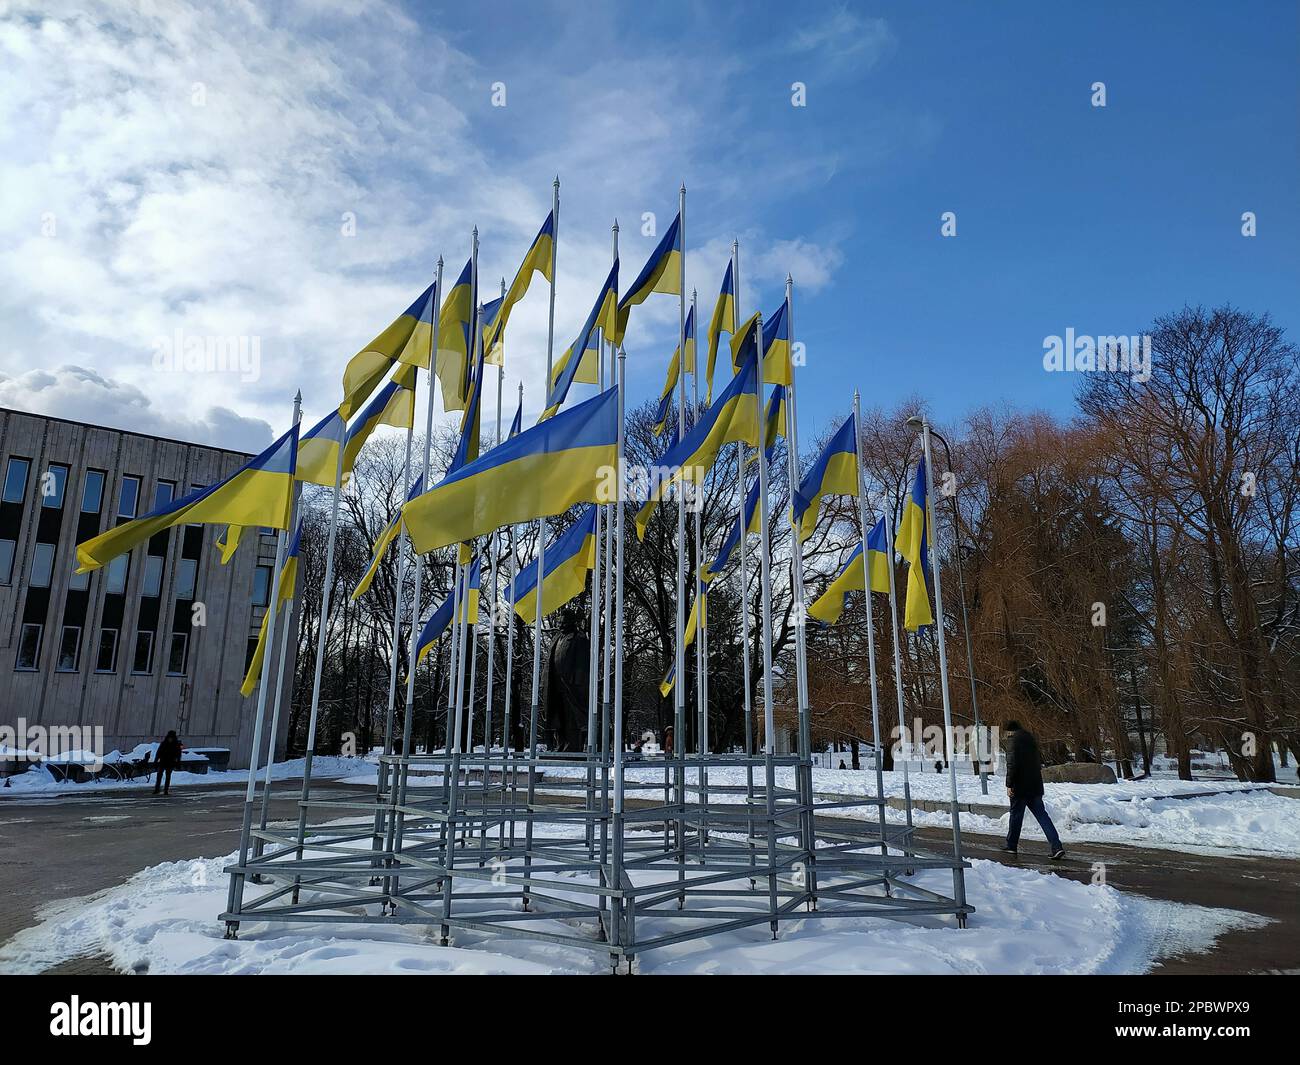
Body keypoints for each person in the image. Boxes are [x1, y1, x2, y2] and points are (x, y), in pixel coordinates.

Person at [1002, 720, 1065, 859]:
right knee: (1042, 816)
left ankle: (1011, 845)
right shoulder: (1031, 741)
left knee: (1016, 816)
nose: (1005, 736)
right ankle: (1056, 846)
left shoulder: (1013, 742)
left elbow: (1012, 765)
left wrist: (1009, 785)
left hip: (1019, 786)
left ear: (1010, 731)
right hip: (1035, 785)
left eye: (1006, 733)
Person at [153, 731, 183, 796]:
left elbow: (178, 755)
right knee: (159, 776)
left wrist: (178, 763)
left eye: (171, 738)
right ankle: (157, 789)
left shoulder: (176, 745)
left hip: (170, 762)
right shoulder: (164, 743)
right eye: (169, 738)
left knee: (168, 776)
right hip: (163, 761)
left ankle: (165, 790)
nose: (170, 739)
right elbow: (159, 753)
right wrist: (156, 760)